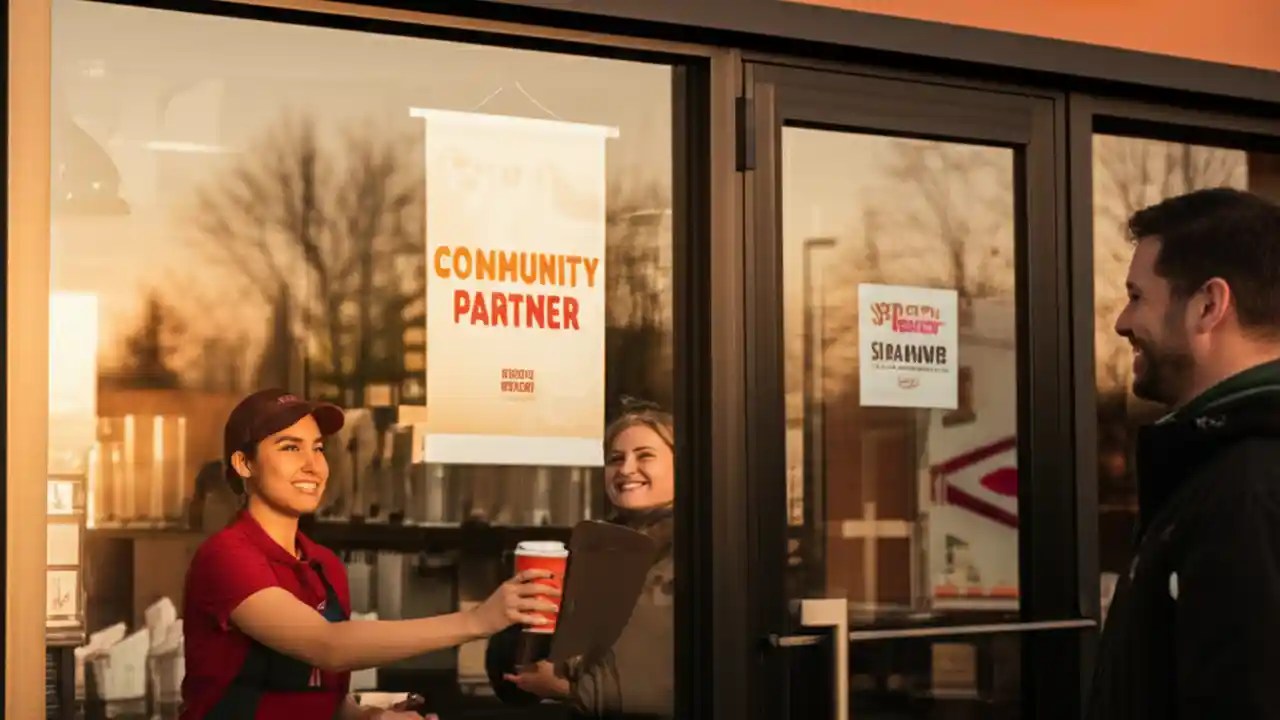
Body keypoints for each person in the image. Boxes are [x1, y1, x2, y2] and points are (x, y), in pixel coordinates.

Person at [181, 388, 560, 719]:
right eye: (290, 448)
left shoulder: (323, 565)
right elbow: (327, 646)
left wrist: (368, 717)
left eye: (317, 448)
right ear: (244, 463)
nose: (313, 465)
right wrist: (477, 620)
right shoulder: (226, 557)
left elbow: (324, 695)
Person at [1087, 188, 1280, 719]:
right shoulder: (1221, 469)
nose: (1122, 322)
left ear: (1208, 306)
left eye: (1137, 296)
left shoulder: (1246, 492)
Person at [487, 398, 675, 719]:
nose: (626, 469)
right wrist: (518, 632)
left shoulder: (699, 549)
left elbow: (665, 684)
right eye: (615, 459)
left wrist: (567, 691)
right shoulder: (598, 548)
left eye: (645, 456)